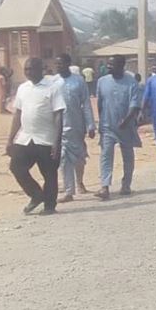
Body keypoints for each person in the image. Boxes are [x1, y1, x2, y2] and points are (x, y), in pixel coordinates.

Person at [6, 57, 65, 215]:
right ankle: (36, 195)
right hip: (26, 137)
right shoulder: (23, 88)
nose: (29, 72)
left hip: (46, 139)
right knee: (16, 167)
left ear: (42, 69)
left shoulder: (53, 87)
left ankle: (50, 206)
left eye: (32, 69)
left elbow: (59, 115)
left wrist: (57, 142)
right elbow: (18, 114)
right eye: (26, 69)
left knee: (49, 174)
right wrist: (10, 139)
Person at [95, 54, 142, 200]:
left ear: (121, 66)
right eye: (108, 64)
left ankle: (126, 184)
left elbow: (134, 106)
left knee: (127, 156)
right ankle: (105, 186)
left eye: (112, 65)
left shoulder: (132, 83)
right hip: (107, 126)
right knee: (105, 155)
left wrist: (126, 121)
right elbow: (100, 104)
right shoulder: (102, 82)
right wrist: (101, 124)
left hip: (126, 127)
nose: (108, 67)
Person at [54, 55, 96, 203]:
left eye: (61, 63)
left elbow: (86, 104)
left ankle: (79, 182)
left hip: (77, 125)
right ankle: (68, 191)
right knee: (64, 158)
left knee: (79, 157)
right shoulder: (53, 82)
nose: (58, 66)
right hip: (59, 127)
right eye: (56, 64)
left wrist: (90, 125)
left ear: (68, 64)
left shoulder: (78, 81)